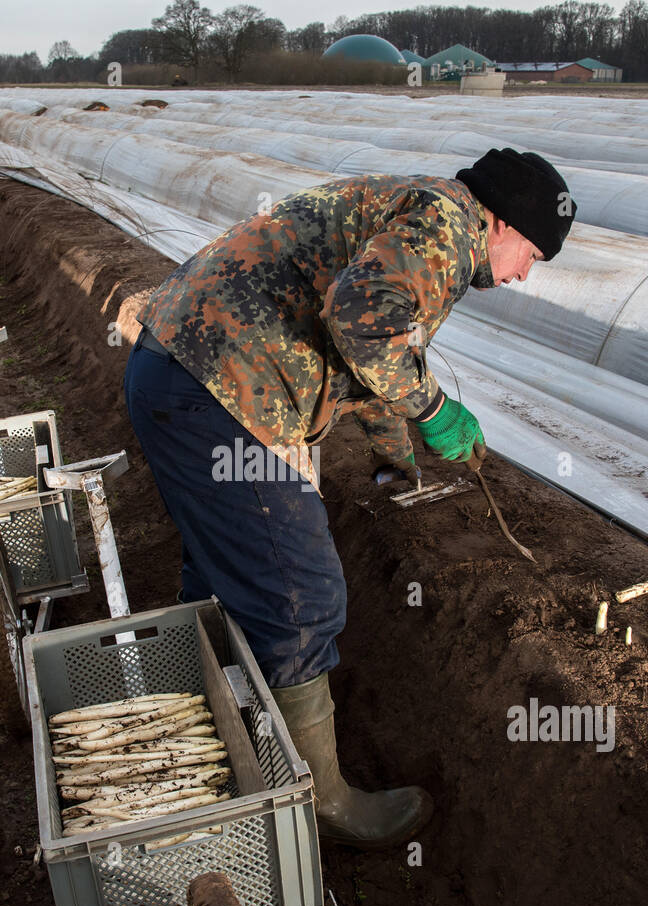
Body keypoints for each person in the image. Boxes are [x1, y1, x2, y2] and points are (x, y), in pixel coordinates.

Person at [124, 149, 576, 849]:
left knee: (223, 567)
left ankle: (197, 716)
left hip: (172, 368)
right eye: (531, 256)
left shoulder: (417, 206)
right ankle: (319, 802)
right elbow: (360, 322)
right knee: (300, 593)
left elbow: (373, 357)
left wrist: (397, 463)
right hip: (222, 390)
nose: (520, 275)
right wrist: (434, 410)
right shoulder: (445, 229)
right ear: (504, 221)